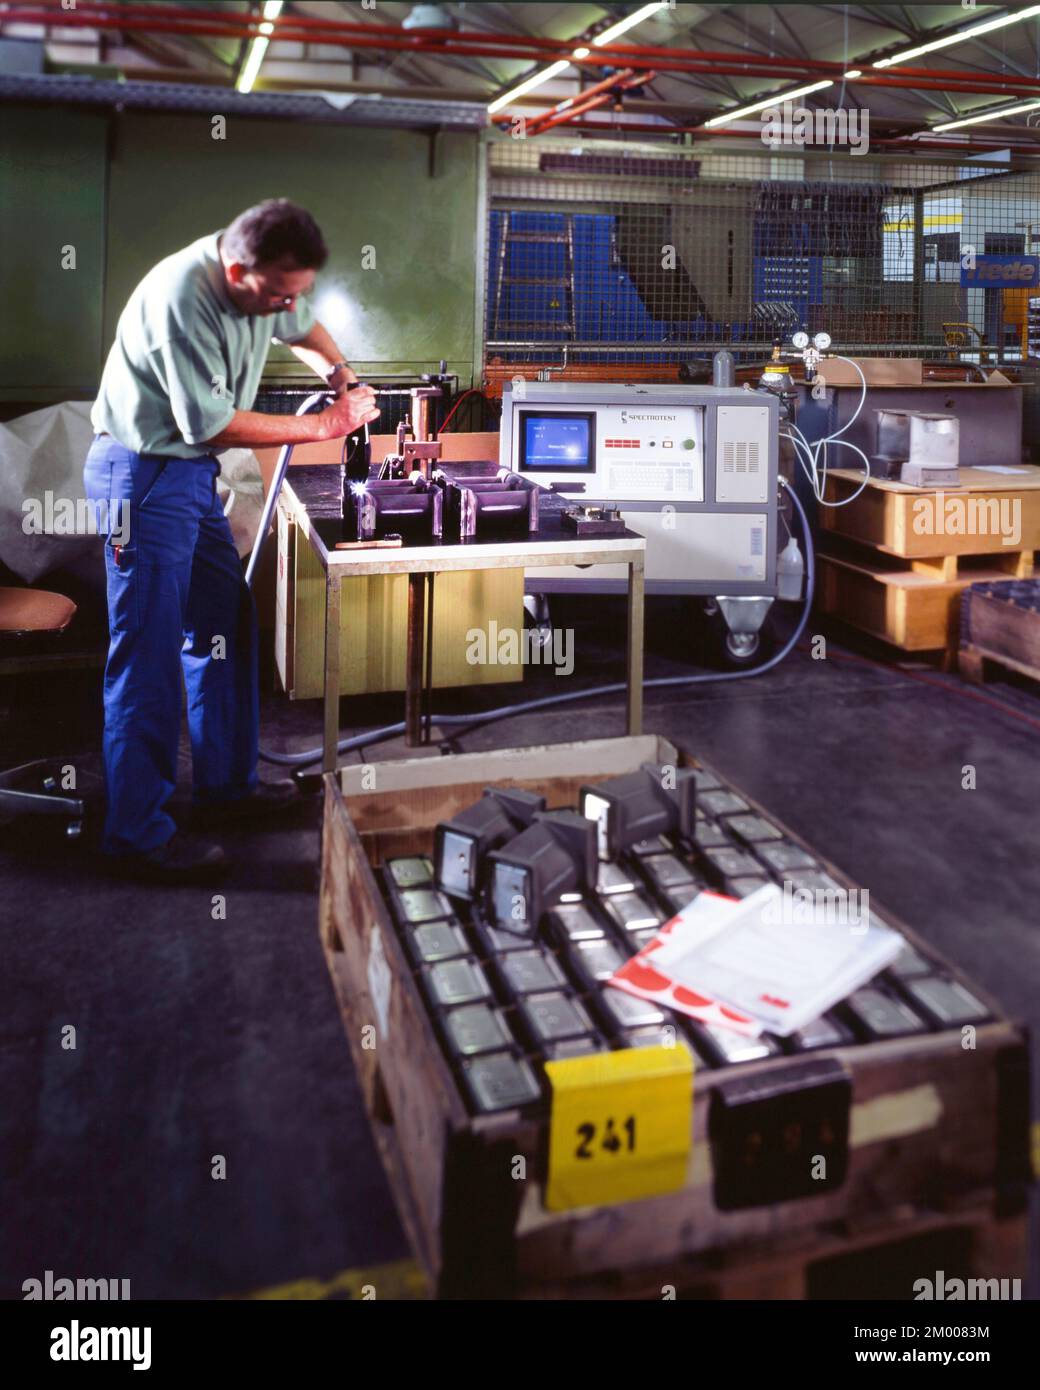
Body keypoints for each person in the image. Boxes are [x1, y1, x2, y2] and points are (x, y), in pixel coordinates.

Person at [85, 198, 379, 882]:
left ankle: (227, 790)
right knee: (148, 652)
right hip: (144, 475)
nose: (286, 307)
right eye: (276, 293)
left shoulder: (272, 288)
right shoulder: (180, 302)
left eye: (296, 292)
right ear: (236, 268)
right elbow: (208, 425)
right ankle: (134, 835)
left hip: (186, 479)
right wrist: (325, 425)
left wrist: (344, 376)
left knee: (224, 621)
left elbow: (306, 326)